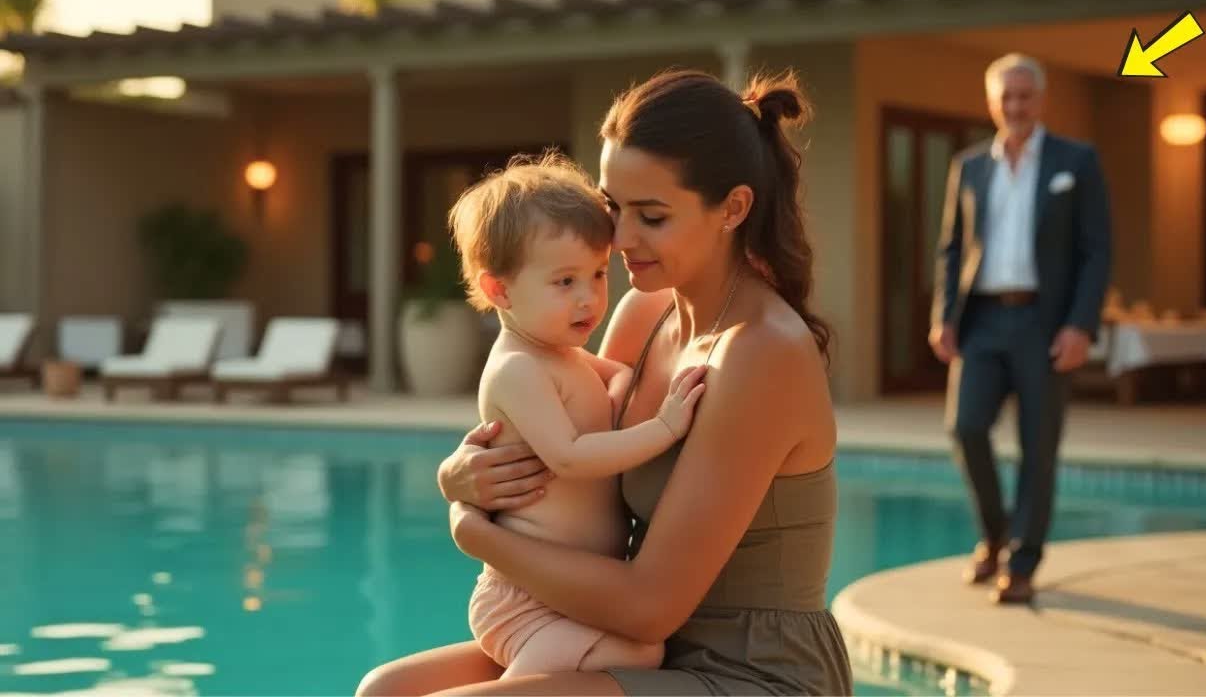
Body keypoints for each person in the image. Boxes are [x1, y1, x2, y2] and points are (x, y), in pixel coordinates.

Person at [356, 69, 853, 696]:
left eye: (652, 216)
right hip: (625, 641)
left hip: (751, 671)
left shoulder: (762, 351)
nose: (618, 238)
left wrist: (472, 531)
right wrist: (460, 477)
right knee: (384, 689)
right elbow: (568, 451)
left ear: (732, 208)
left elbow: (650, 608)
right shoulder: (644, 314)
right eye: (613, 207)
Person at [445, 153, 708, 679]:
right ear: (499, 290)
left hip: (569, 594)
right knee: (640, 654)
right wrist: (663, 428)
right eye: (565, 282)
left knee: (641, 651)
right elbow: (569, 456)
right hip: (524, 597)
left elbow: (621, 376)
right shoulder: (518, 368)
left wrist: (622, 392)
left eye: (597, 274)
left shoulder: (560, 355)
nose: (589, 298)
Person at [928, 53, 1111, 605]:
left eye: (1024, 95)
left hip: (1044, 322)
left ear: (1040, 99)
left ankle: (1023, 561)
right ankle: (996, 535)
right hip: (982, 320)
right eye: (1005, 97)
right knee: (965, 428)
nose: (1015, 106)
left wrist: (1080, 326)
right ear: (992, 102)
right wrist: (943, 316)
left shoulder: (1076, 161)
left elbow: (1096, 251)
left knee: (1038, 444)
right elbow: (951, 248)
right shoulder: (969, 166)